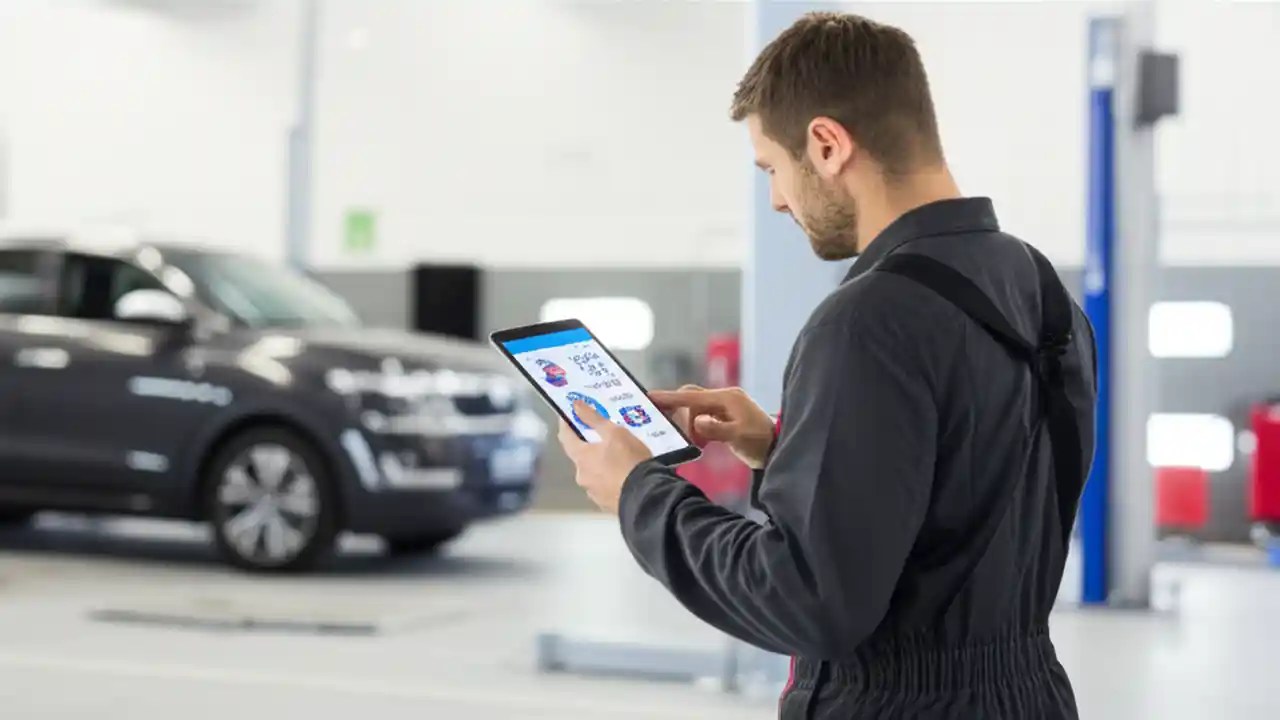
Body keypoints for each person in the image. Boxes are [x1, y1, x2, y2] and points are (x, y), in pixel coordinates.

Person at [558, 11, 1096, 719]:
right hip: (1031, 695)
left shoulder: (866, 321)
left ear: (827, 143)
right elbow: (970, 488)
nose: (778, 199)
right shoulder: (1040, 288)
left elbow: (808, 600)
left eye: (774, 169)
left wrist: (637, 493)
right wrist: (781, 444)